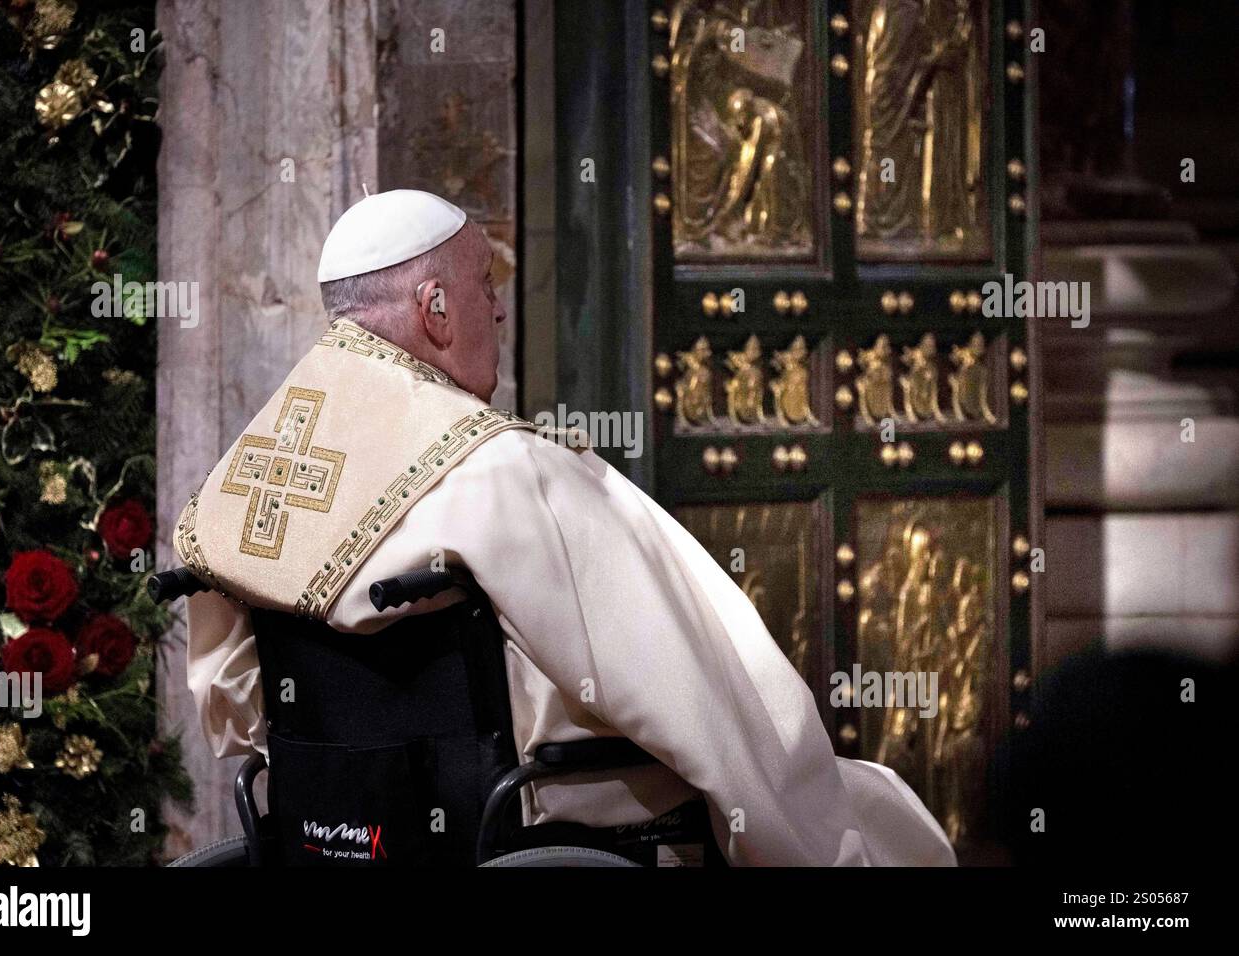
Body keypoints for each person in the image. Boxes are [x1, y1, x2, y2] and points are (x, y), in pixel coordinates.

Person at [178, 189, 956, 867]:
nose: (500, 307)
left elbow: (232, 701)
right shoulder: (501, 470)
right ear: (435, 309)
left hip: (339, 822)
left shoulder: (250, 480)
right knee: (874, 810)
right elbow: (699, 681)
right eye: (484, 283)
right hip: (535, 807)